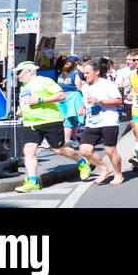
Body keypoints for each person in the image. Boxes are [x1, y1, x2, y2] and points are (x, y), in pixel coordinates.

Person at [13, 61, 91, 193]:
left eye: (19, 72)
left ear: (29, 71)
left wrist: (39, 101)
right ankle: (32, 181)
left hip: (50, 121)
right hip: (31, 123)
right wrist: (21, 111)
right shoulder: (23, 87)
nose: (17, 76)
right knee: (29, 150)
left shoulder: (45, 81)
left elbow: (61, 95)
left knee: (59, 150)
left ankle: (82, 162)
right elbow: (27, 102)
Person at [78, 58, 124, 185]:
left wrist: (100, 101)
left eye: (87, 73)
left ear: (96, 71)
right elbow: (87, 102)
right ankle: (104, 169)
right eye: (83, 73)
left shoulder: (107, 84)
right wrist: (82, 108)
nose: (84, 75)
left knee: (109, 150)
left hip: (108, 121)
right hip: (92, 122)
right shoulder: (84, 87)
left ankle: (118, 175)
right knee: (84, 150)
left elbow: (119, 101)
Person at [54, 55, 86, 144]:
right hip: (74, 98)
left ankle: (74, 138)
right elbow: (79, 88)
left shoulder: (60, 76)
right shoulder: (75, 74)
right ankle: (67, 140)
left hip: (63, 98)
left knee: (72, 119)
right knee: (70, 120)